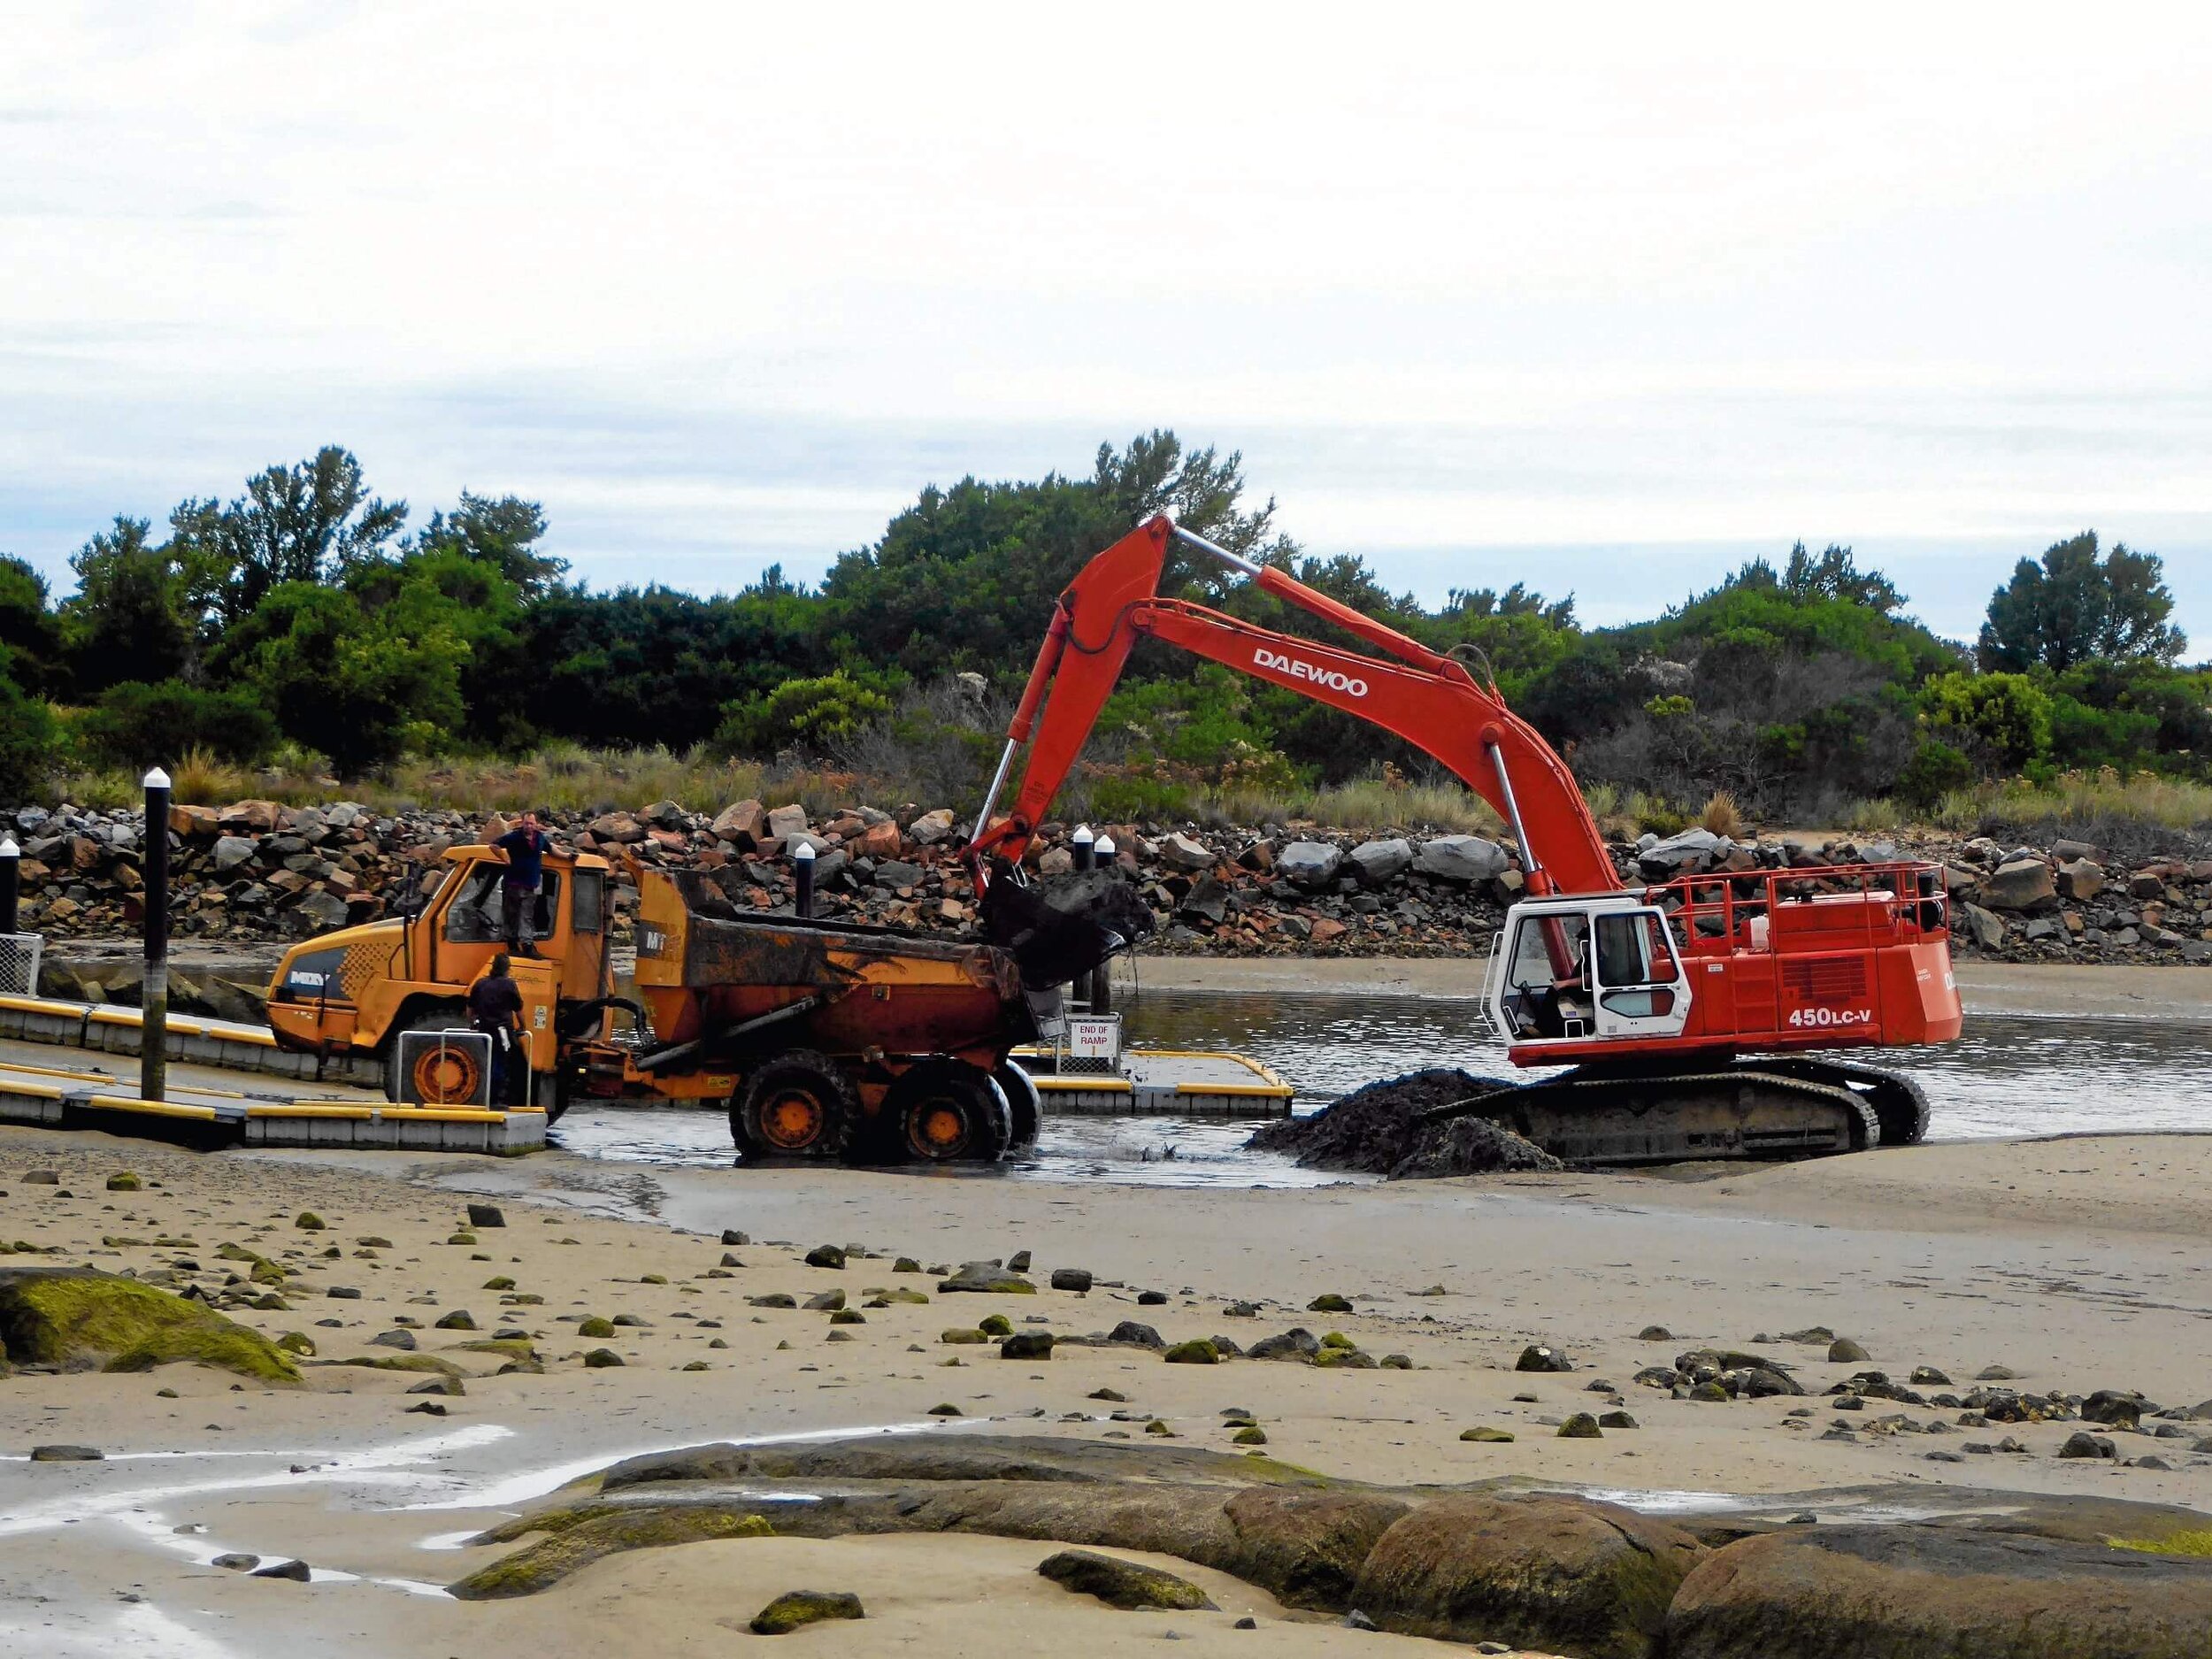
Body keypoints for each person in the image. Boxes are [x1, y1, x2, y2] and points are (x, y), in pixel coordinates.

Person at [467, 951, 526, 1105]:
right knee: (502, 1061)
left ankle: (488, 1096)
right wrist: (523, 1026)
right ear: (507, 968)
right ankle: (496, 1099)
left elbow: (470, 1008)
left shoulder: (480, 983)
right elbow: (518, 1009)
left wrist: (472, 1022)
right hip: (503, 1031)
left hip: (485, 1030)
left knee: (491, 1059)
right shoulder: (509, 984)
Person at [491, 810, 551, 956]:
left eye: (531, 823)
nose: (529, 826)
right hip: (513, 883)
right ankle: (512, 945)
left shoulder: (540, 838)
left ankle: (527, 946)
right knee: (511, 915)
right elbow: (494, 846)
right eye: (526, 823)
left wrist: (567, 856)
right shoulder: (513, 837)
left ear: (536, 824)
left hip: (530, 885)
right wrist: (504, 859)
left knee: (526, 916)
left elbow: (551, 849)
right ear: (522, 823)